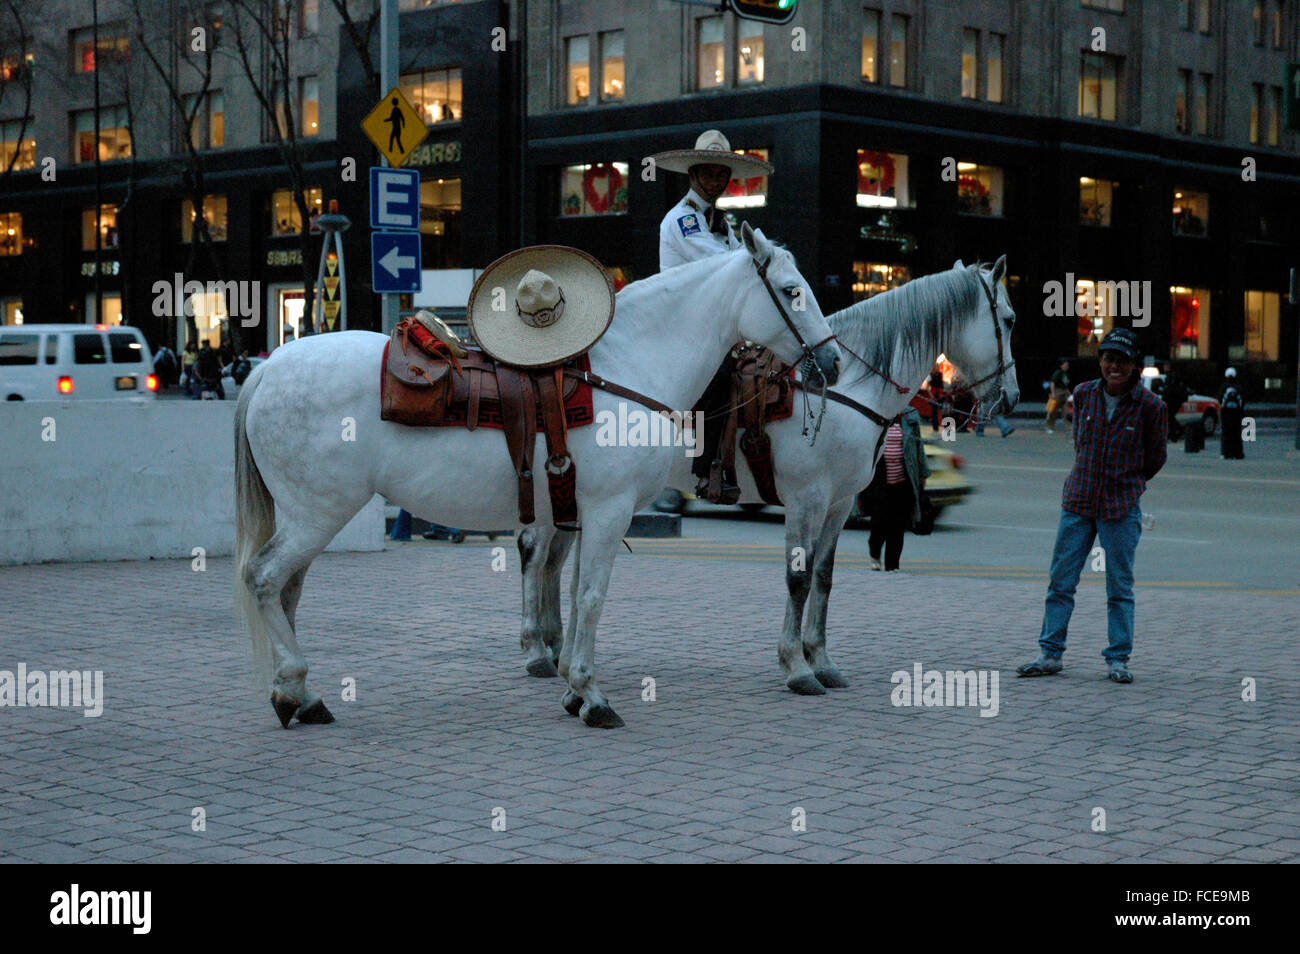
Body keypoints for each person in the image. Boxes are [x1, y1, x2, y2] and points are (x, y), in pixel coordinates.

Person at [1017, 328, 1168, 684]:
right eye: (1108, 358)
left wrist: (1129, 482)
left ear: (1133, 366)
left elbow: (1156, 457)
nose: (1114, 366)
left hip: (1120, 506)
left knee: (1119, 588)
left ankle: (1118, 658)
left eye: (1122, 360)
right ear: (1100, 361)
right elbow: (1080, 444)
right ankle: (1050, 653)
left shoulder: (1151, 407)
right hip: (1079, 501)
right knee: (1061, 581)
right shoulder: (1083, 395)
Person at [649, 129, 775, 503]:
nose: (715, 180)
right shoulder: (683, 220)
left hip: (714, 327)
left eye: (721, 174)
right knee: (718, 378)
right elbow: (722, 265)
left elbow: (739, 261)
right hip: (683, 326)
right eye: (708, 173)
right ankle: (705, 470)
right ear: (693, 175)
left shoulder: (722, 224)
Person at [858, 406, 929, 572]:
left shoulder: (909, 416)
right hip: (878, 483)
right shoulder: (875, 412)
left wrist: (922, 474)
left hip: (902, 483)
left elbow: (919, 447)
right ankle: (874, 554)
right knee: (878, 524)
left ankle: (893, 565)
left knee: (897, 527)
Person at [1219, 367, 1244, 459]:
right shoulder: (1238, 387)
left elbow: (1220, 399)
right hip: (1236, 414)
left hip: (1226, 413)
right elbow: (1243, 401)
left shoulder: (1224, 386)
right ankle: (1237, 453)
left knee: (1226, 433)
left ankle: (1225, 453)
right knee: (1236, 433)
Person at [1045, 358, 1070, 433]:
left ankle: (1070, 427)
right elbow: (1052, 383)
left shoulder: (1066, 374)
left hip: (1064, 394)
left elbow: (1065, 385)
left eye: (1067, 365)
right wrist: (1053, 394)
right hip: (1057, 393)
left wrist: (1068, 392)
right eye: (1065, 365)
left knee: (1066, 412)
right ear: (1061, 365)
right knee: (1053, 411)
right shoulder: (1058, 373)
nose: (1067, 366)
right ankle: (1049, 427)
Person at [1162, 369, 1187, 442]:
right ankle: (1177, 432)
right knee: (1171, 418)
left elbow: (1168, 393)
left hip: (1171, 403)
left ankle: (1174, 435)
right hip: (1173, 403)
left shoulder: (1171, 383)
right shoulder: (1174, 382)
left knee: (1170, 419)